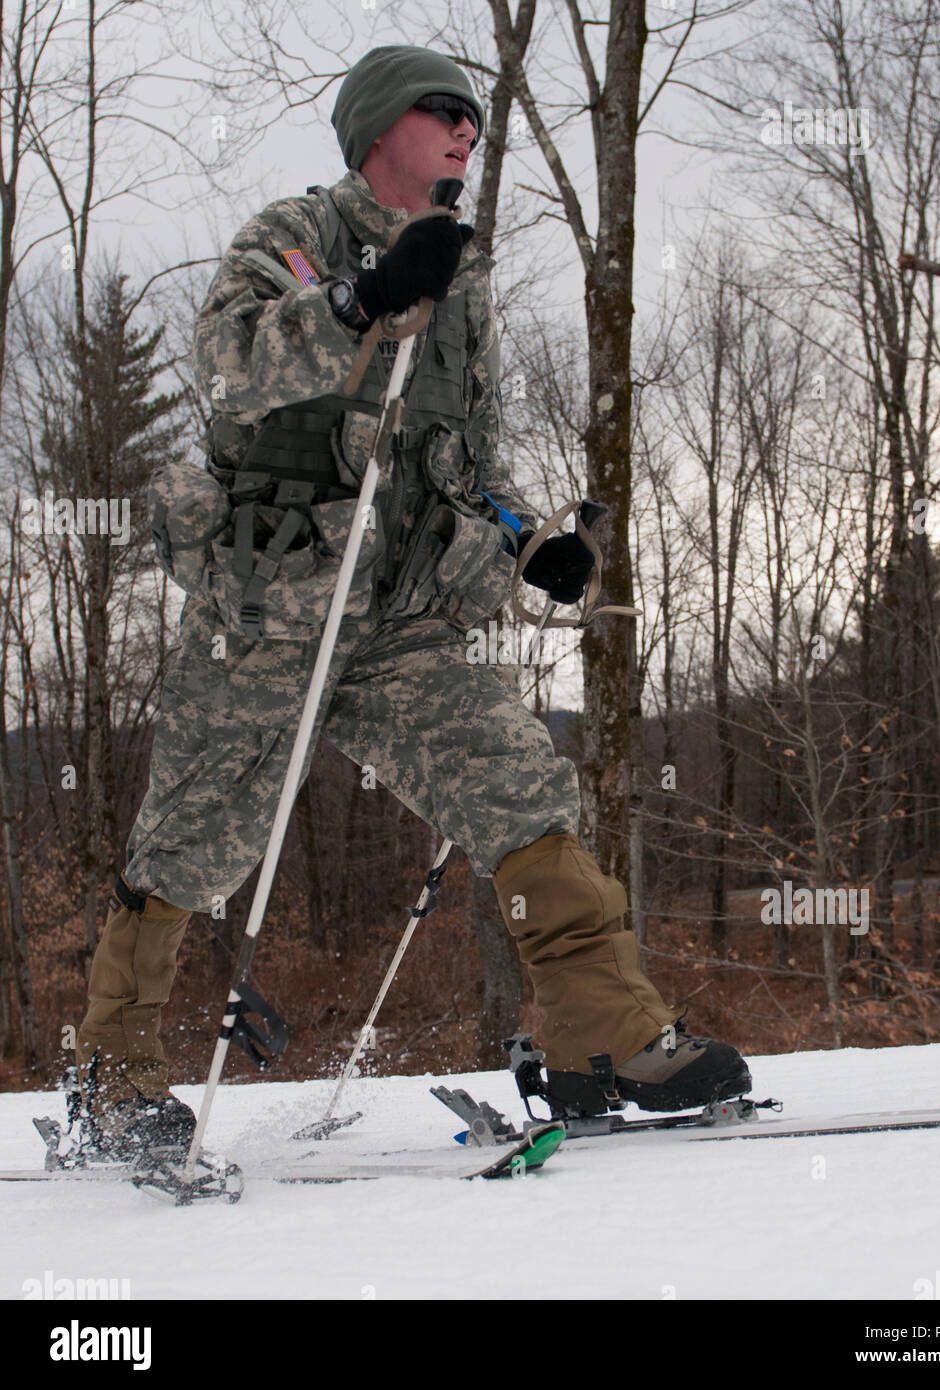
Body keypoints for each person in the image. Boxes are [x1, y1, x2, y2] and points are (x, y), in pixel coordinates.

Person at [75, 45, 751, 1157]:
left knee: (519, 784)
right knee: (186, 844)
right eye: (444, 112)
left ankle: (606, 1041)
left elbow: (460, 457)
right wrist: (363, 297)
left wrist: (530, 542)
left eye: (476, 124)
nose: (465, 134)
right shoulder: (293, 238)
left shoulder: (465, 279)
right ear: (377, 126)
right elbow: (235, 360)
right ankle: (110, 1078)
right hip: (271, 612)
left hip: (399, 623)